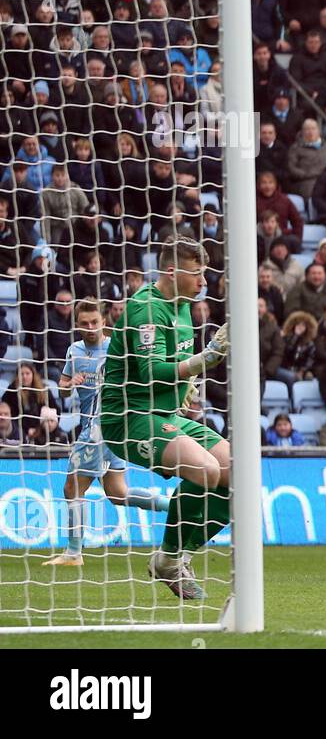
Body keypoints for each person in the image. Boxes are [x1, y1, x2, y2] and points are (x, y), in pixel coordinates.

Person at [99, 237, 232, 600]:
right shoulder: (146, 307)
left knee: (238, 474)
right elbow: (151, 370)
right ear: (172, 271)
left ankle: (174, 557)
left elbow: (176, 366)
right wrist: (202, 362)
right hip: (128, 417)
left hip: (166, 415)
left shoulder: (185, 306)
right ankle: (171, 561)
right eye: (197, 273)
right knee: (205, 470)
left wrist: (189, 382)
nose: (204, 281)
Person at [42, 300, 172, 567]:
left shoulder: (117, 347)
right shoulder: (74, 351)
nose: (90, 328)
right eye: (85, 323)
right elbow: (64, 388)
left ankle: (73, 553)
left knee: (72, 488)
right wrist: (69, 383)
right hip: (107, 429)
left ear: (103, 321)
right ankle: (176, 506)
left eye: (95, 322)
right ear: (77, 324)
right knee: (117, 492)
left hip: (101, 426)